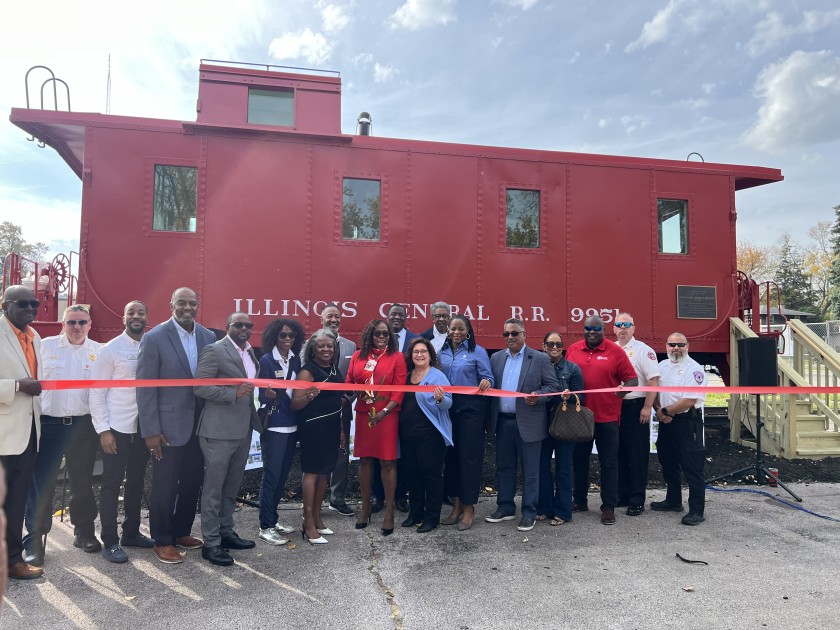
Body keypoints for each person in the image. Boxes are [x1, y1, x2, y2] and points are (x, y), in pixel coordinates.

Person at [137, 287, 215, 564]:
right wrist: (150, 431)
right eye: (182, 303)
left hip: (200, 424)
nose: (187, 308)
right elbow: (145, 389)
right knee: (165, 485)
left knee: (193, 480)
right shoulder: (155, 337)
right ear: (171, 305)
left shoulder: (207, 336)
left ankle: (182, 531)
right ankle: (163, 539)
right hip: (167, 427)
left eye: (192, 303)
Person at [24, 305, 101, 564]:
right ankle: (34, 539)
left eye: (82, 323)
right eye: (71, 322)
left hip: (83, 425)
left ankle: (84, 531)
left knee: (82, 481)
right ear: (62, 324)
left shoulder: (99, 353)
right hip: (49, 425)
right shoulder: (44, 347)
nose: (77, 327)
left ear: (90, 324)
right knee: (42, 482)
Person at [89, 300, 155, 563]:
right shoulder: (110, 350)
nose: (136, 316)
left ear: (147, 317)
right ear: (124, 318)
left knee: (137, 481)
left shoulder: (151, 346)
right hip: (116, 428)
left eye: (141, 312)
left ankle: (131, 532)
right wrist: (103, 431)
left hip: (142, 429)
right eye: (131, 313)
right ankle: (110, 541)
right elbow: (97, 393)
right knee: (111, 484)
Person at [193, 312, 261, 566]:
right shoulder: (215, 350)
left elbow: (251, 385)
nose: (244, 328)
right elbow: (199, 386)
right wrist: (233, 393)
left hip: (243, 430)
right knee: (214, 489)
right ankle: (210, 544)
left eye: (248, 325)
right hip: (218, 431)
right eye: (238, 324)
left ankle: (225, 532)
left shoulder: (249, 351)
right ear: (228, 326)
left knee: (231, 487)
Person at [486, 318, 559, 532]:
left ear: (524, 335)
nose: (510, 337)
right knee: (504, 468)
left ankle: (529, 512)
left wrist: (538, 396)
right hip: (503, 422)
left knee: (531, 471)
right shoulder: (496, 358)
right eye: (506, 334)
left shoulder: (539, 358)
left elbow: (552, 386)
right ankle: (506, 507)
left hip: (529, 423)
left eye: (514, 333)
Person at [565, 315, 638, 525]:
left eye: (596, 328)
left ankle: (608, 507)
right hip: (579, 416)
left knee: (609, 463)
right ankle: (579, 500)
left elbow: (632, 378)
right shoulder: (573, 350)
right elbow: (566, 376)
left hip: (607, 417)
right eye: (588, 328)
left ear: (604, 330)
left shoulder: (616, 352)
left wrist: (624, 391)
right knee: (579, 460)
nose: (591, 332)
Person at [346, 319, 406, 536]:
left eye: (385, 334)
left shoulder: (397, 357)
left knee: (387, 462)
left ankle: (389, 510)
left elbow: (400, 389)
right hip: (364, 413)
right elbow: (350, 381)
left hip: (386, 414)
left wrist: (385, 411)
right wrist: (356, 392)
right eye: (377, 334)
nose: (381, 337)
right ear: (369, 335)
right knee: (364, 460)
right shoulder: (358, 356)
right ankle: (366, 507)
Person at [1, 285, 44, 580]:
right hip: (3, 433)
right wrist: (16, 386)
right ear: (5, 305)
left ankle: (13, 560)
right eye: (23, 303)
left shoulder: (34, 336)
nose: (30, 308)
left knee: (16, 501)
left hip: (28, 432)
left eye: (35, 303)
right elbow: (23, 383)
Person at [438, 315, 492, 530]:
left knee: (469, 458)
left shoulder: (477, 352)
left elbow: (488, 378)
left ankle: (469, 507)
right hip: (447, 409)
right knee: (451, 457)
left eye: (461, 329)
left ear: (468, 331)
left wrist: (487, 382)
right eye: (453, 329)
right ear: (448, 330)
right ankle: (456, 505)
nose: (456, 333)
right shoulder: (440, 352)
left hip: (471, 410)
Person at [290, 329, 344, 545]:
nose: (326, 349)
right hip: (313, 428)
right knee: (312, 473)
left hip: (331, 426)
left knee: (325, 473)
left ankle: (318, 519)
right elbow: (295, 404)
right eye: (321, 345)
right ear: (313, 348)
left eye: (329, 346)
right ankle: (308, 523)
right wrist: (309, 397)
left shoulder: (332, 367)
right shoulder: (307, 371)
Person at [256, 317, 305, 545]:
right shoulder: (266, 361)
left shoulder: (295, 361)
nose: (287, 339)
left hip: (292, 425)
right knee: (272, 476)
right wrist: (269, 395)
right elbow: (260, 394)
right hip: (275, 425)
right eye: (283, 335)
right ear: (274, 336)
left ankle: (273, 519)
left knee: (282, 476)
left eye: (291, 336)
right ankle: (265, 526)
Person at [653, 333, 708, 526]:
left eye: (680, 345)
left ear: (687, 346)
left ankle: (696, 510)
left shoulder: (695, 369)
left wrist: (666, 411)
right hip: (666, 422)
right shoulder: (662, 366)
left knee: (692, 467)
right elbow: (654, 391)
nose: (676, 348)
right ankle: (673, 500)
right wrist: (660, 411)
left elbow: (689, 400)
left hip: (687, 423)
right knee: (668, 462)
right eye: (672, 344)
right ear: (666, 346)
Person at [400, 338, 453, 533]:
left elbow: (449, 403)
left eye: (423, 351)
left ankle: (432, 517)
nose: (420, 355)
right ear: (411, 355)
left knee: (431, 476)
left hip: (430, 436)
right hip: (407, 435)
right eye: (416, 352)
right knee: (413, 476)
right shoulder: (406, 376)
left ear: (430, 355)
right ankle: (415, 513)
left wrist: (440, 399)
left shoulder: (438, 376)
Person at [614, 313, 661, 516]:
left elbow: (653, 381)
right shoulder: (612, 349)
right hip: (616, 407)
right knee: (620, 453)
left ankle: (637, 499)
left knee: (637, 455)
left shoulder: (643, 351)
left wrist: (648, 407)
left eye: (627, 325)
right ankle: (623, 494)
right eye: (619, 325)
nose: (622, 328)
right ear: (614, 329)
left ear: (633, 328)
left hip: (636, 407)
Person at [537, 332, 583, 526]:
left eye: (558, 344)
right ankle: (544, 508)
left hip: (565, 424)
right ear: (543, 345)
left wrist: (569, 397)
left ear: (563, 347)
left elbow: (582, 398)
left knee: (564, 467)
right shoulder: (537, 366)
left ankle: (563, 511)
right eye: (550, 343)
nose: (554, 347)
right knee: (542, 467)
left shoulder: (572, 369)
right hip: (541, 423)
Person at [319, 304, 358, 517]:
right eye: (329, 316)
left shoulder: (351, 346)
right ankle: (315, 500)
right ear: (321, 320)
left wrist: (348, 398)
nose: (334, 320)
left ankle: (337, 498)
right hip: (319, 409)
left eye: (337, 316)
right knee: (319, 452)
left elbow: (355, 378)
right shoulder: (310, 344)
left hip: (343, 408)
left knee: (342, 454)